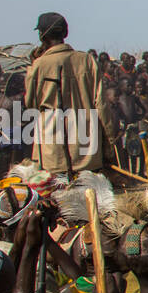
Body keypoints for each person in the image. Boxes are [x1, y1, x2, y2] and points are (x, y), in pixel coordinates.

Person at [24, 12, 108, 176]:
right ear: (65, 33)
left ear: (42, 36)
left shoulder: (39, 64)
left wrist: (33, 67)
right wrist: (109, 142)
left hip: (53, 150)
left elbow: (31, 104)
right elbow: (102, 105)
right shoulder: (87, 60)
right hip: (87, 147)